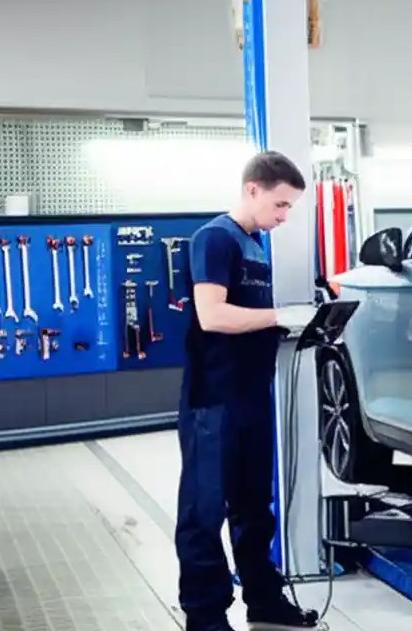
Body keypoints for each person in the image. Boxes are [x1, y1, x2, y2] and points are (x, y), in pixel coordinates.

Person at [174, 151, 318, 631]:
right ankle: (205, 617)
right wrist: (280, 315)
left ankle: (263, 599)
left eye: (289, 207)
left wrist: (296, 325)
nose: (284, 217)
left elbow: (248, 318)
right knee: (204, 511)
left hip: (252, 397)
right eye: (280, 205)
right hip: (213, 402)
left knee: (255, 507)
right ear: (252, 189)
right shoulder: (214, 239)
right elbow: (212, 315)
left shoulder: (254, 245)